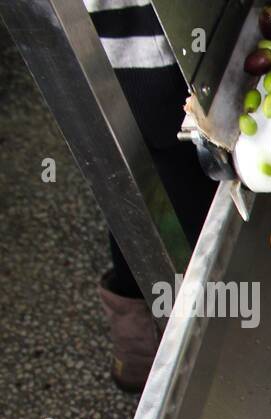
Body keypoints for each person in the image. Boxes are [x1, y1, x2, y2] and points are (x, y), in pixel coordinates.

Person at [85, 0, 216, 391]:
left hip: (129, 46)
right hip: (143, 47)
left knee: (128, 183)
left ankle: (136, 341)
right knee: (175, 182)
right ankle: (204, 339)